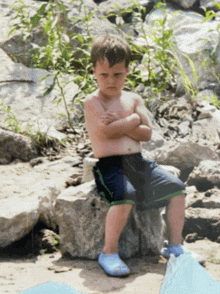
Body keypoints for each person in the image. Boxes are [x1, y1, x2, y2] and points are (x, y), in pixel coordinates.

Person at [84, 34, 193, 277]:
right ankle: (109, 252)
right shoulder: (93, 101)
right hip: (110, 165)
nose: (111, 81)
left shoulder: (133, 98)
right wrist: (132, 121)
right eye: (104, 75)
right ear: (94, 71)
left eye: (118, 74)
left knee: (177, 188)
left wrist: (128, 121)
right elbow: (106, 132)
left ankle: (174, 246)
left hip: (138, 162)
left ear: (127, 71)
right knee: (125, 195)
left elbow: (146, 133)